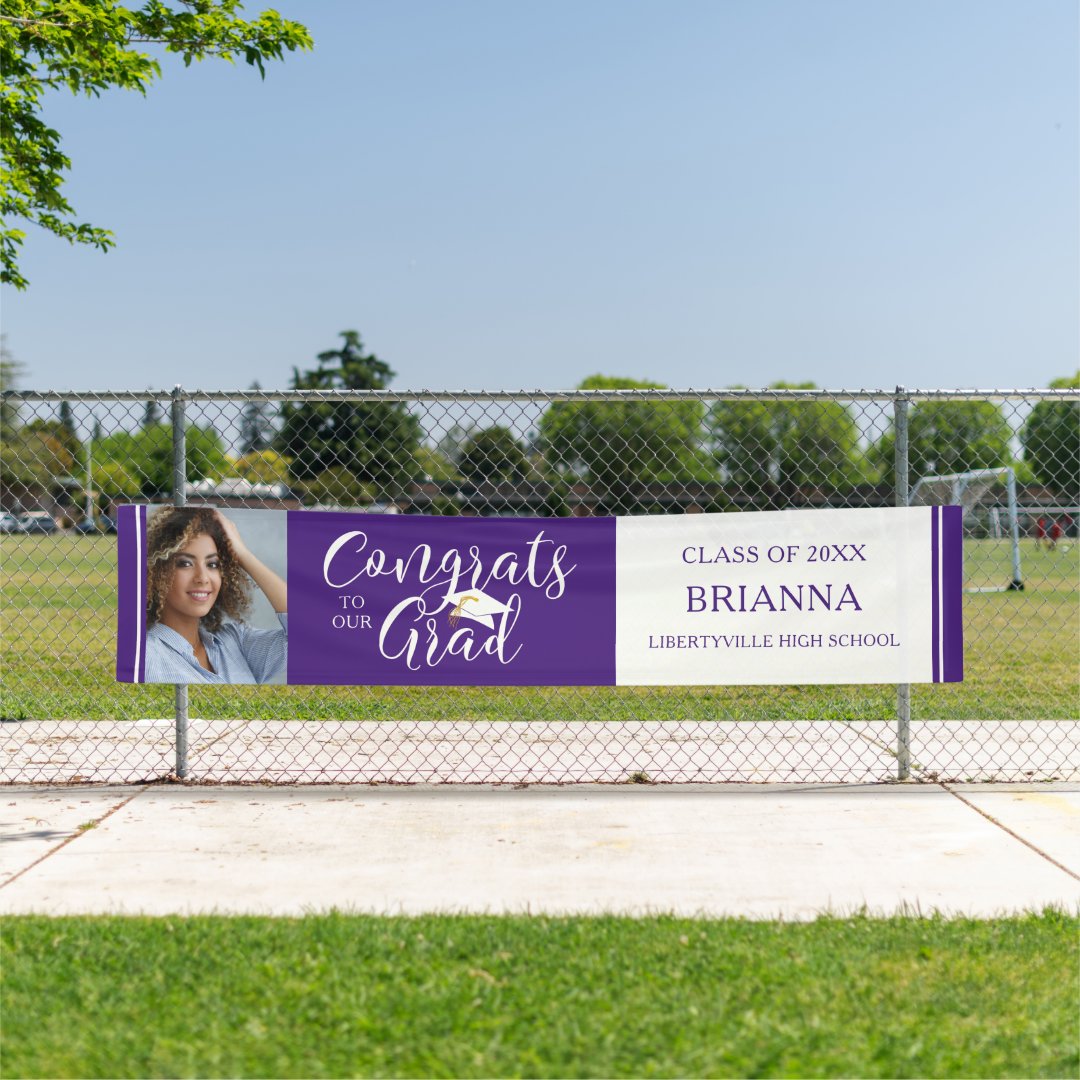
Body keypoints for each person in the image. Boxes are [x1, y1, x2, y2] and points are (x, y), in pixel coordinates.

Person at [144, 507, 287, 684]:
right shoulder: (148, 657)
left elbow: (312, 633)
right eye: (185, 563)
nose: (203, 578)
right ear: (156, 572)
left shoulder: (235, 641)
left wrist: (243, 554)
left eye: (212, 564)